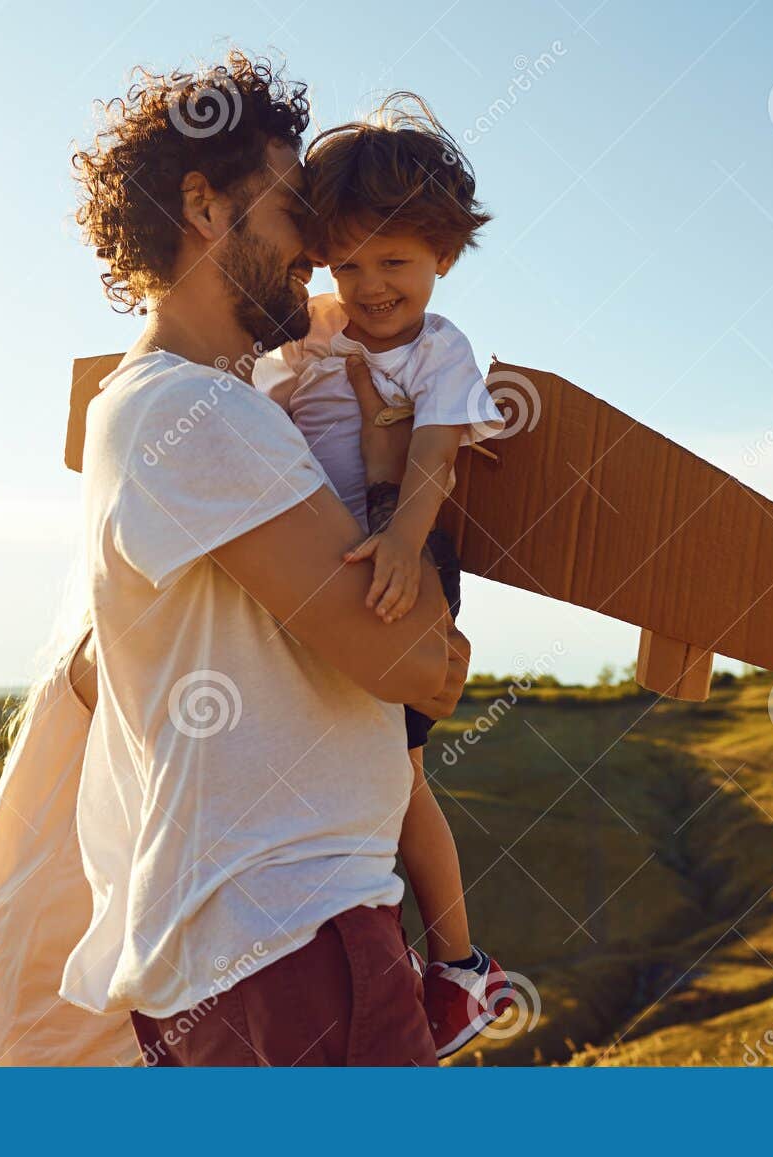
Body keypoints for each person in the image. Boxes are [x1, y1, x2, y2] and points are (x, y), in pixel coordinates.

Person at [56, 52, 471, 1066]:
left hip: (256, 942)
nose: (318, 247)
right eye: (294, 213)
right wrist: (386, 475)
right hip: (292, 936)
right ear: (205, 207)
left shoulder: (138, 404)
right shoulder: (202, 416)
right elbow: (423, 666)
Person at [252, 93, 513, 1058]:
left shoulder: (439, 350)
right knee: (338, 760)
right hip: (317, 558)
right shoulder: (316, 330)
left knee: (394, 772)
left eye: (395, 262)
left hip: (401, 549)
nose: (369, 287)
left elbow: (438, 457)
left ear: (444, 256)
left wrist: (403, 539)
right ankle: (385, 958)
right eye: (348, 263)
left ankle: (458, 966)